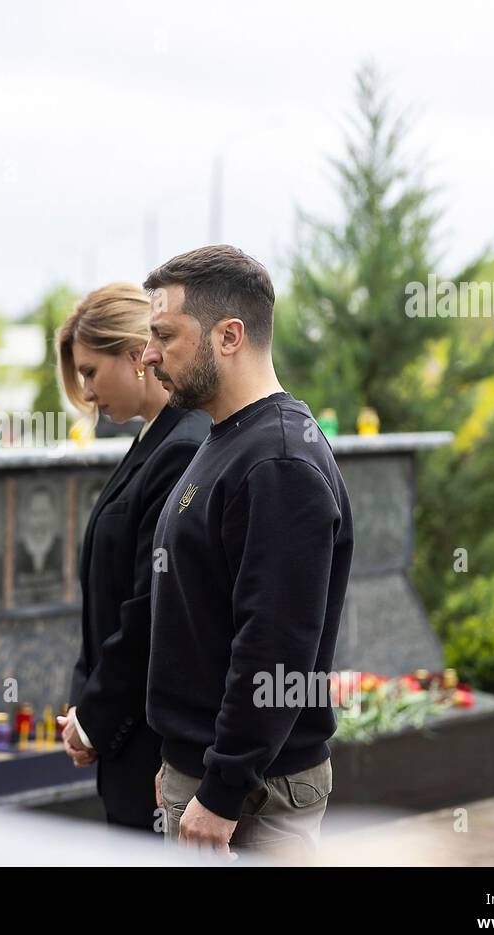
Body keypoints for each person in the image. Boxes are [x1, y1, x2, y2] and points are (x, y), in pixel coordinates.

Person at [141, 245, 354, 861]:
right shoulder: (229, 436)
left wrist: (222, 788)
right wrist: (182, 764)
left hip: (255, 796)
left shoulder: (279, 461)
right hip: (211, 775)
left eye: (165, 335)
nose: (149, 354)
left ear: (229, 335)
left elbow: (276, 646)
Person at [56, 282, 210, 831]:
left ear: (133, 354)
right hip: (127, 738)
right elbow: (104, 601)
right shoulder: (152, 441)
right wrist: (81, 704)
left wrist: (94, 720)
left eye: (90, 373)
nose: (88, 393)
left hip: (153, 742)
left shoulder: (183, 446)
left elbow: (150, 608)